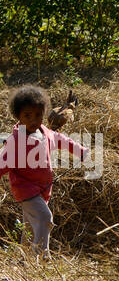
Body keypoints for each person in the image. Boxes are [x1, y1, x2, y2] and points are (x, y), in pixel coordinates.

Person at [0, 86, 89, 258]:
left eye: (38, 115)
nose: (34, 120)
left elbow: (63, 140)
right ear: (18, 116)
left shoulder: (45, 132)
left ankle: (25, 258)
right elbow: (2, 161)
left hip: (43, 189)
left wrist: (81, 151)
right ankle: (41, 257)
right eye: (27, 115)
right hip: (25, 189)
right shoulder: (16, 141)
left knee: (30, 227)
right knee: (44, 218)